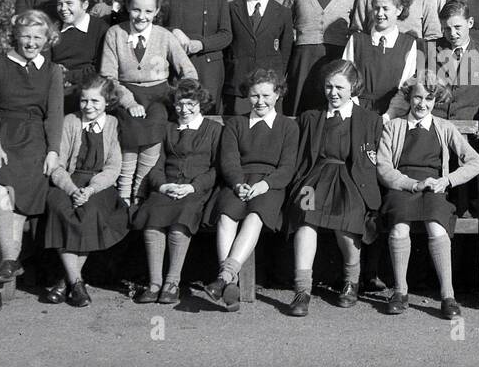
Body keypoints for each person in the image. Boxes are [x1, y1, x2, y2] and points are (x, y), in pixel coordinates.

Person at [0, 10, 63, 312]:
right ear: (16, 36)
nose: (31, 43)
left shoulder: (52, 71)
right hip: (0, 139)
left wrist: (53, 151)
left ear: (47, 40)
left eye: (37, 37)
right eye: (26, 36)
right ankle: (10, 260)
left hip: (34, 144)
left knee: (17, 210)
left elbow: (55, 115)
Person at [376, 72, 479, 319]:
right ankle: (400, 292)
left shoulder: (445, 128)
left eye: (430, 99)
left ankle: (448, 295)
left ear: (437, 101)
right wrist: (412, 184)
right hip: (402, 188)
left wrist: (446, 180)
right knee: (399, 228)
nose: (422, 104)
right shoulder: (394, 126)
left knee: (437, 228)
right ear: (409, 98)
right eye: (417, 98)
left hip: (434, 188)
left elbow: (475, 162)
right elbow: (383, 168)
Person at [285, 60, 383, 317]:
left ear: (353, 87)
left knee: (347, 219)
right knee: (305, 217)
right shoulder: (311, 117)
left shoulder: (369, 120)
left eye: (340, 87)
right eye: (329, 87)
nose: (333, 93)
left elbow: (373, 159)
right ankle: (302, 290)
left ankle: (351, 282)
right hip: (315, 179)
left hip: (351, 180)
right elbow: (301, 158)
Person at [199, 69, 299, 312]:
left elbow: (287, 167)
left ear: (278, 95)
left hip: (269, 185)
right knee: (226, 215)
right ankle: (229, 281)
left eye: (266, 95)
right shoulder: (236, 123)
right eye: (255, 96)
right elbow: (229, 162)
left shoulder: (287, 127)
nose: (260, 101)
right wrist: (238, 183)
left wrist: (264, 185)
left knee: (255, 217)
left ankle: (224, 278)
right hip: (239, 181)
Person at [99, 0, 198, 204]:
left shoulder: (164, 36)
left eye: (148, 11)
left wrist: (183, 94)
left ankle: (140, 191)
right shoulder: (115, 34)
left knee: (155, 127)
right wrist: (128, 101)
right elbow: (108, 76)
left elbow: (188, 70)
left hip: (159, 95)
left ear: (156, 12)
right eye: (136, 10)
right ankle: (124, 192)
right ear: (127, 7)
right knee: (131, 130)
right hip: (125, 93)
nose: (141, 16)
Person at [129, 79, 222, 306]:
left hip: (195, 191)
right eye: (180, 103)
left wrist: (193, 186)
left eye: (191, 103)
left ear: (201, 104)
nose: (184, 109)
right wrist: (162, 186)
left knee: (181, 221)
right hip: (167, 188)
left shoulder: (214, 130)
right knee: (152, 218)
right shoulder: (168, 129)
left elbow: (217, 169)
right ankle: (154, 283)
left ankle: (172, 282)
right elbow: (157, 165)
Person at [42, 75, 127, 307]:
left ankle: (66, 283)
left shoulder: (113, 124)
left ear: (107, 102)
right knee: (58, 206)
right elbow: (58, 164)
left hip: (99, 185)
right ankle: (77, 284)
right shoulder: (70, 121)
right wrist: (71, 189)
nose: (88, 106)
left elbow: (113, 167)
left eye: (95, 102)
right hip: (69, 180)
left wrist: (90, 190)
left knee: (90, 213)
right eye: (84, 101)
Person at [283, 0, 360, 115]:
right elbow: (284, 23)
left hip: (335, 58)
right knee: (298, 107)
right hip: (303, 60)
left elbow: (356, 30)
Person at [389, 0, 479, 122]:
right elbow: (409, 87)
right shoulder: (429, 49)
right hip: (430, 125)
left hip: (467, 128)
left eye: (457, 27)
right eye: (447, 29)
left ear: (470, 22)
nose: (452, 33)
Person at [157, 0, 231, 115]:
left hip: (209, 71)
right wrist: (172, 31)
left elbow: (226, 34)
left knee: (206, 120)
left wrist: (201, 44)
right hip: (175, 70)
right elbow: (153, 29)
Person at [222, 0, 293, 117]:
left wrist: (275, 85)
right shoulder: (232, 9)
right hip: (237, 87)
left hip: (268, 90)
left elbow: (285, 54)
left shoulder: (283, 14)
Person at [342, 0, 421, 115]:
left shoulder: (408, 43)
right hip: (358, 111)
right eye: (376, 8)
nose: (380, 14)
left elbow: (406, 85)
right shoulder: (357, 40)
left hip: (393, 113)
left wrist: (390, 115)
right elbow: (346, 78)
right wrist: (356, 110)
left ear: (399, 10)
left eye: (385, 9)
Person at [50, 0, 106, 113]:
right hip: (56, 85)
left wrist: (67, 76)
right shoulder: (53, 29)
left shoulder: (99, 29)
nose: (63, 8)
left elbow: (100, 69)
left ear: (84, 5)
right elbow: (46, 63)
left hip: (88, 89)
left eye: (69, 3)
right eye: (59, 4)